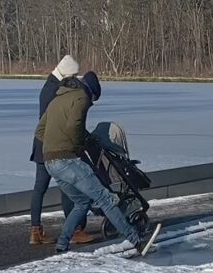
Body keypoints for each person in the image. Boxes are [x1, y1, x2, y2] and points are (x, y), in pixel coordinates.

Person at [36, 70, 149, 254]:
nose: (91, 103)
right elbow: (74, 126)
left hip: (50, 162)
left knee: (81, 202)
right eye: (93, 99)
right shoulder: (82, 98)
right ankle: (136, 241)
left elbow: (40, 131)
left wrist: (56, 142)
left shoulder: (57, 98)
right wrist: (77, 146)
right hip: (67, 160)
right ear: (91, 92)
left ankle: (62, 245)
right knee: (105, 198)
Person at [28, 55, 93, 246]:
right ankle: (75, 231)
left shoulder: (49, 86)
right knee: (68, 187)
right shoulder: (55, 90)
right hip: (54, 146)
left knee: (40, 188)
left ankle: (35, 231)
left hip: (41, 146)